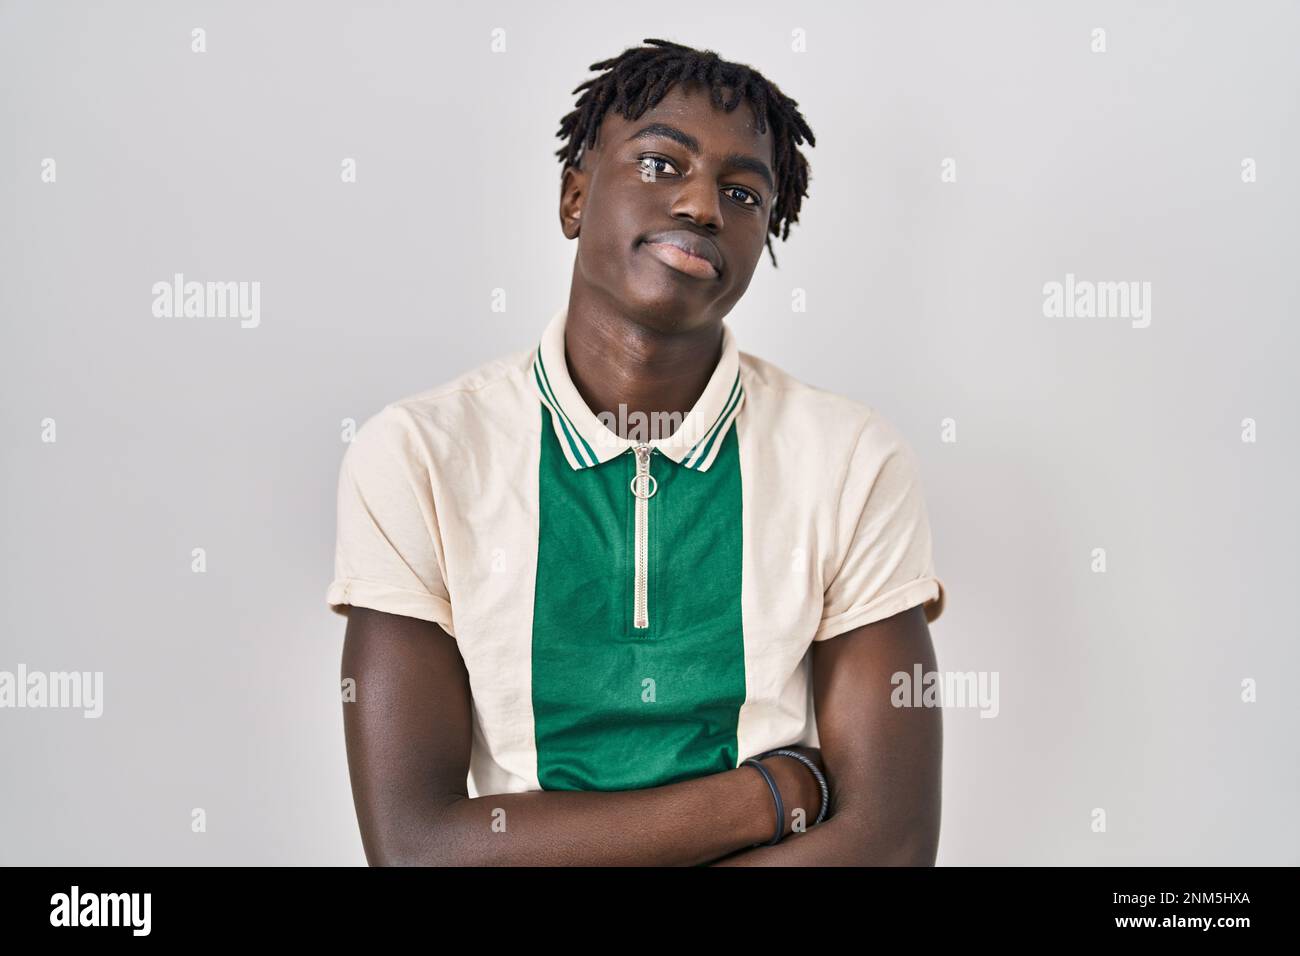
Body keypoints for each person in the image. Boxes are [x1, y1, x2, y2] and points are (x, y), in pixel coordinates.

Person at [327, 37, 946, 866]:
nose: (701, 207)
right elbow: (416, 847)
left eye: (743, 192)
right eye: (662, 164)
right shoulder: (419, 457)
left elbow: (892, 845)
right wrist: (768, 796)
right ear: (574, 197)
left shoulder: (849, 459)